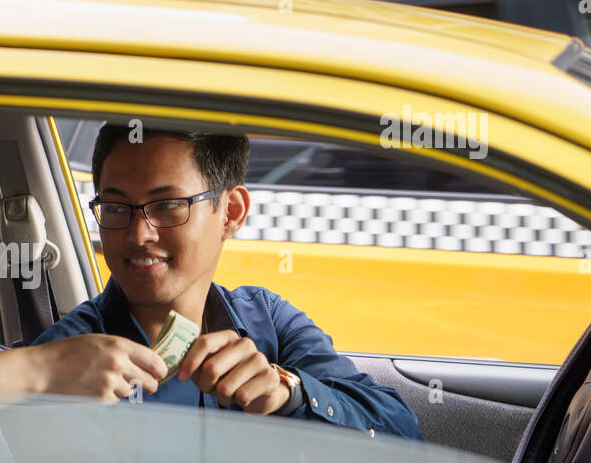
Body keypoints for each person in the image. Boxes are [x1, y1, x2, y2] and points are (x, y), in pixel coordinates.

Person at [23, 124, 423, 441]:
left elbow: (404, 441)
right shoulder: (67, 361)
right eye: (115, 208)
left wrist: (289, 395)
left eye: (167, 205)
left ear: (230, 212)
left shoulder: (269, 321)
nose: (139, 234)